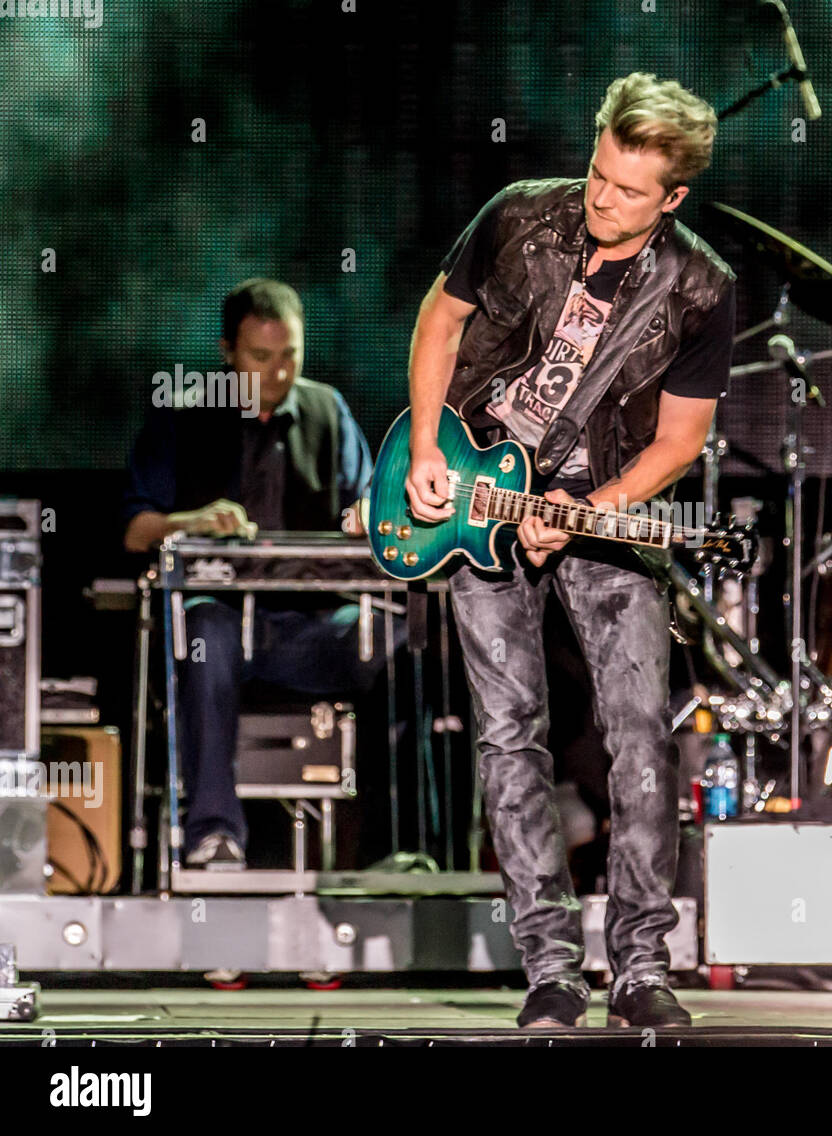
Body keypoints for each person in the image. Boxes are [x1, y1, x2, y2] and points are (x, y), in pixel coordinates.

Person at [404, 73, 736, 1029]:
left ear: (673, 197)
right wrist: (428, 445)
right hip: (476, 496)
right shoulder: (516, 217)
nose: (603, 200)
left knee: (638, 735)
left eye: (629, 191)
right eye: (599, 174)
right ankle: (549, 968)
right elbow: (442, 321)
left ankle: (641, 967)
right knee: (510, 737)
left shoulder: (701, 287)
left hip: (603, 514)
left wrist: (589, 506)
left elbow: (679, 442)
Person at [124, 278, 381, 869]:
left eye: (290, 354)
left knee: (400, 643)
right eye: (260, 358)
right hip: (222, 629)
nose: (278, 372)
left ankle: (394, 847)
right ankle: (214, 833)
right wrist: (196, 519)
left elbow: (367, 508)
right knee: (205, 630)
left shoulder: (328, 411)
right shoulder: (181, 416)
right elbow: (136, 531)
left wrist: (368, 516)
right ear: (226, 353)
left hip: (312, 629)